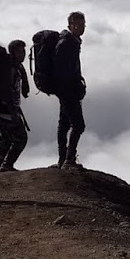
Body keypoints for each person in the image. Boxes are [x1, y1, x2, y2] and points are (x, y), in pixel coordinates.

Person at [54, 11, 86, 169]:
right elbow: (63, 69)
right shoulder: (67, 43)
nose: (82, 28)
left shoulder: (72, 42)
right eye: (79, 25)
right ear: (71, 25)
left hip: (66, 90)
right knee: (78, 125)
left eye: (83, 25)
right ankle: (69, 159)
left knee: (64, 124)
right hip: (67, 91)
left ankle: (63, 159)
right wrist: (72, 87)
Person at [0, 39, 31, 171]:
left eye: (23, 51)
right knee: (21, 138)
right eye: (19, 51)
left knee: (5, 138)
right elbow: (5, 90)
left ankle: (2, 165)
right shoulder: (10, 69)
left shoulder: (16, 67)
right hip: (8, 109)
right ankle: (7, 164)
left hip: (3, 109)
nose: (23, 54)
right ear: (12, 52)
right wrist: (12, 111)